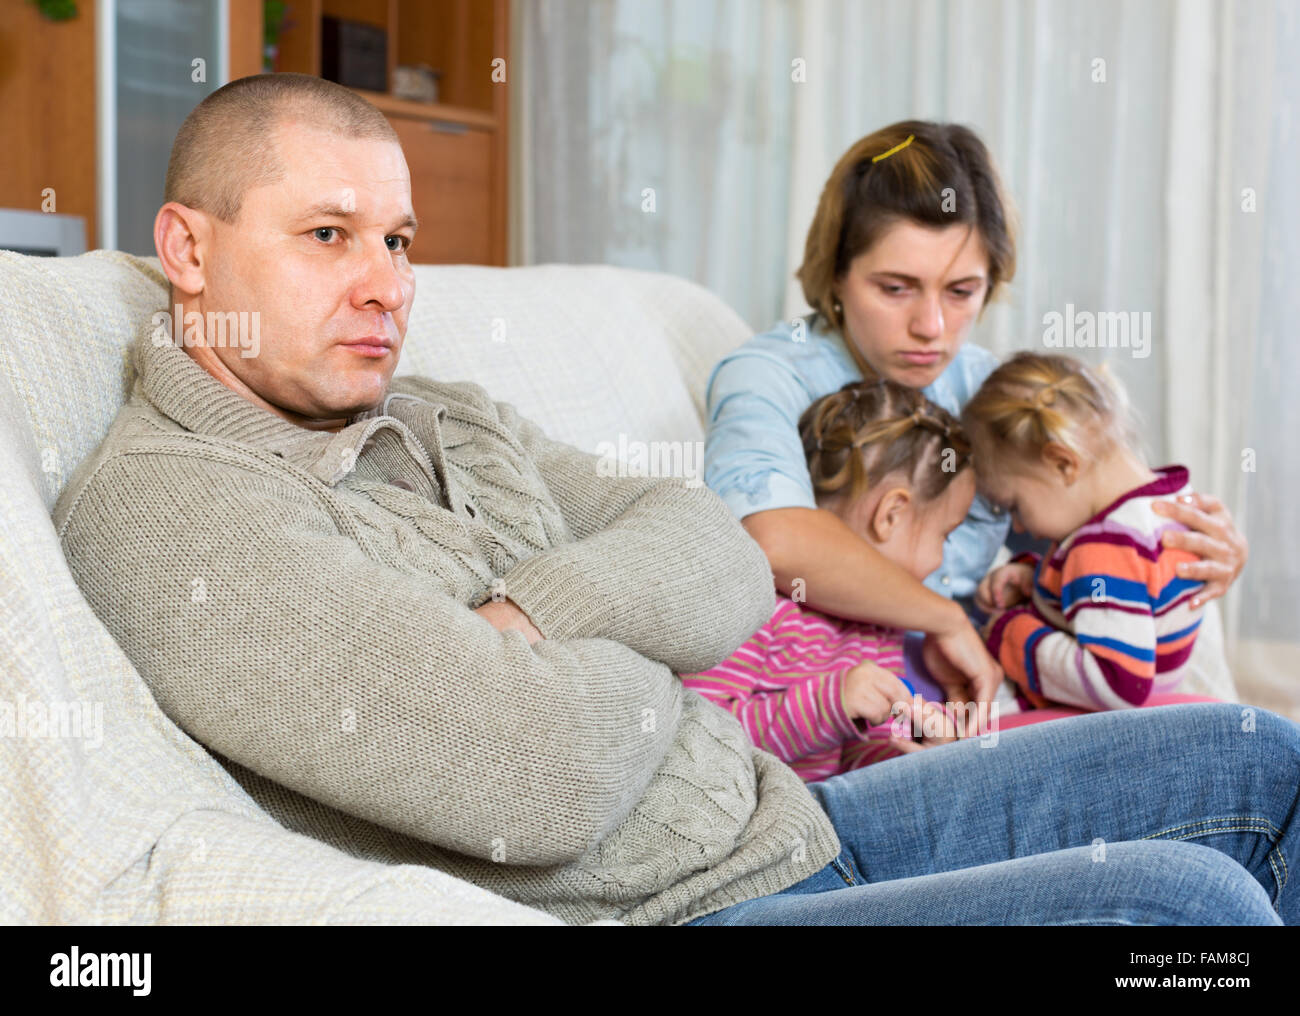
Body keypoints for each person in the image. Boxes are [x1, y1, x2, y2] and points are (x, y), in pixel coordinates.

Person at [54, 76, 1298, 926]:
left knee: (1262, 757)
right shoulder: (178, 513)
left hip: (785, 812)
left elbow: (717, 555)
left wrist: (536, 617)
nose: (385, 283)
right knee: (1189, 914)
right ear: (188, 248)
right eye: (327, 235)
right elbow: (539, 771)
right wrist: (645, 642)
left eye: (398, 240)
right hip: (690, 907)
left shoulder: (439, 406)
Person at [703, 120, 1248, 708]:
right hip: (850, 709)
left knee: (1234, 739)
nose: (931, 328)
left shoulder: (987, 392)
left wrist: (1189, 547)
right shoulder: (769, 375)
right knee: (1244, 746)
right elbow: (772, 538)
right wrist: (944, 619)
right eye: (895, 288)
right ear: (836, 274)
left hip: (986, 690)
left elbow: (1090, 511)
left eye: (961, 292)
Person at [681, 379, 969, 781]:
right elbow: (697, 741)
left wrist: (910, 755)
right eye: (945, 534)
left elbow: (853, 761)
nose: (944, 561)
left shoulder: (882, 625)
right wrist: (828, 704)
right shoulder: (758, 601)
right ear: (891, 514)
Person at [964, 351, 1204, 711]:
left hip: (1078, 720)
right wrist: (1042, 579)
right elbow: (1134, 598)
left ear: (1062, 463)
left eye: (1013, 505)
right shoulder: (1174, 502)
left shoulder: (1104, 549)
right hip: (1158, 705)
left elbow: (1117, 685)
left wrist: (1007, 633)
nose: (1018, 525)